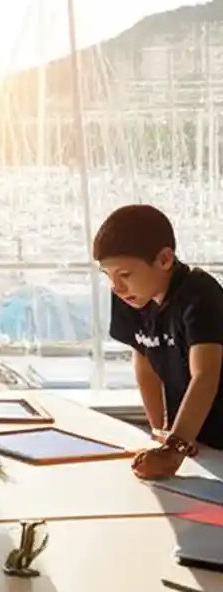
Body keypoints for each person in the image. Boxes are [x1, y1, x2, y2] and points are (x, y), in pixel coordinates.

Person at [96, 204, 223, 479]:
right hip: (197, 441)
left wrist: (175, 449)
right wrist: (161, 433)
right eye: (108, 276)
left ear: (165, 259)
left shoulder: (200, 294)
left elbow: (206, 375)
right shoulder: (132, 298)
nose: (116, 287)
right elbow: (144, 359)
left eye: (125, 275)